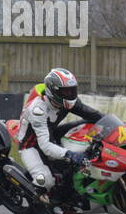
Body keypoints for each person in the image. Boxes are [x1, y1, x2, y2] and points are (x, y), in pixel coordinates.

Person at [15, 68, 103, 198]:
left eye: (72, 90)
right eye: (66, 91)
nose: (70, 94)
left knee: (87, 124)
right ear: (53, 91)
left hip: (52, 132)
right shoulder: (38, 110)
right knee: (46, 181)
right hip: (31, 145)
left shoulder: (69, 102)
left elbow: (94, 115)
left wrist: (120, 125)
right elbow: (45, 146)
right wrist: (70, 154)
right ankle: (37, 196)